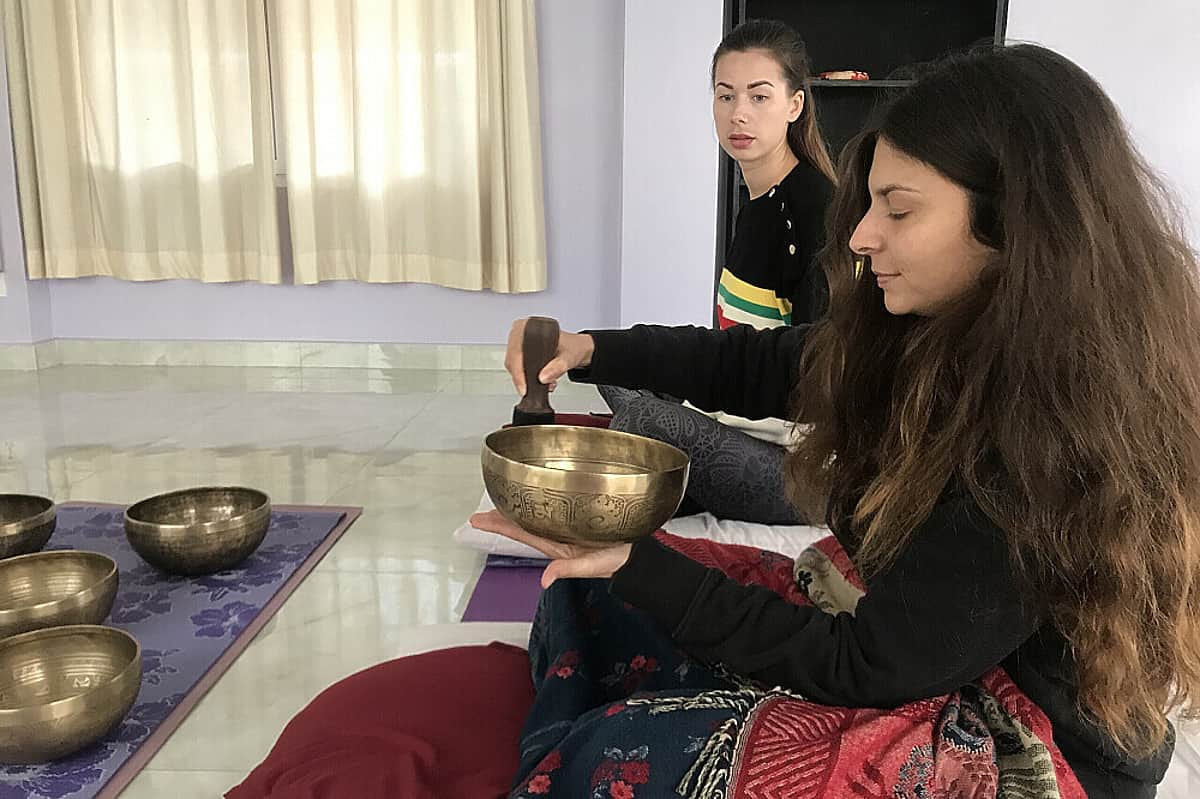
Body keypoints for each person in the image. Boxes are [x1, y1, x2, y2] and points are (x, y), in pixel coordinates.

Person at [478, 43, 1200, 798]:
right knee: (585, 599)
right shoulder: (942, 326)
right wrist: (592, 349)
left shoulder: (1050, 425)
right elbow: (768, 363)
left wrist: (642, 562)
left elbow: (868, 665)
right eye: (870, 204)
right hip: (928, 645)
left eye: (899, 208)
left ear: (1014, 221)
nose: (861, 235)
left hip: (1024, 742)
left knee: (630, 749)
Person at [599, 19, 835, 525]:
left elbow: (818, 378)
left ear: (794, 105)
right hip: (743, 421)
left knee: (640, 415)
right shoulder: (756, 202)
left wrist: (700, 415)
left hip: (797, 465)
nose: (739, 114)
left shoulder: (813, 210)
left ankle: (663, 475)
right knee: (609, 368)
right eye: (725, 96)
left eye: (759, 96)